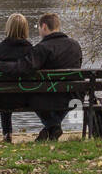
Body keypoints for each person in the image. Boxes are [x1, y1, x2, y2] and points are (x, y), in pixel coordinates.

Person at [14, 12, 84, 141]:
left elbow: (24, 68)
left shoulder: (42, 48)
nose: (40, 31)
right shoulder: (75, 45)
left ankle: (52, 126)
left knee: (30, 95)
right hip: (74, 96)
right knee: (57, 96)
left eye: (39, 28)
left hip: (48, 97)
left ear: (44, 26)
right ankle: (52, 128)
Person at [0, 13, 34, 143]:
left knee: (4, 91)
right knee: (10, 90)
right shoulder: (31, 50)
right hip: (26, 97)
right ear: (25, 29)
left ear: (8, 28)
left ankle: (7, 133)